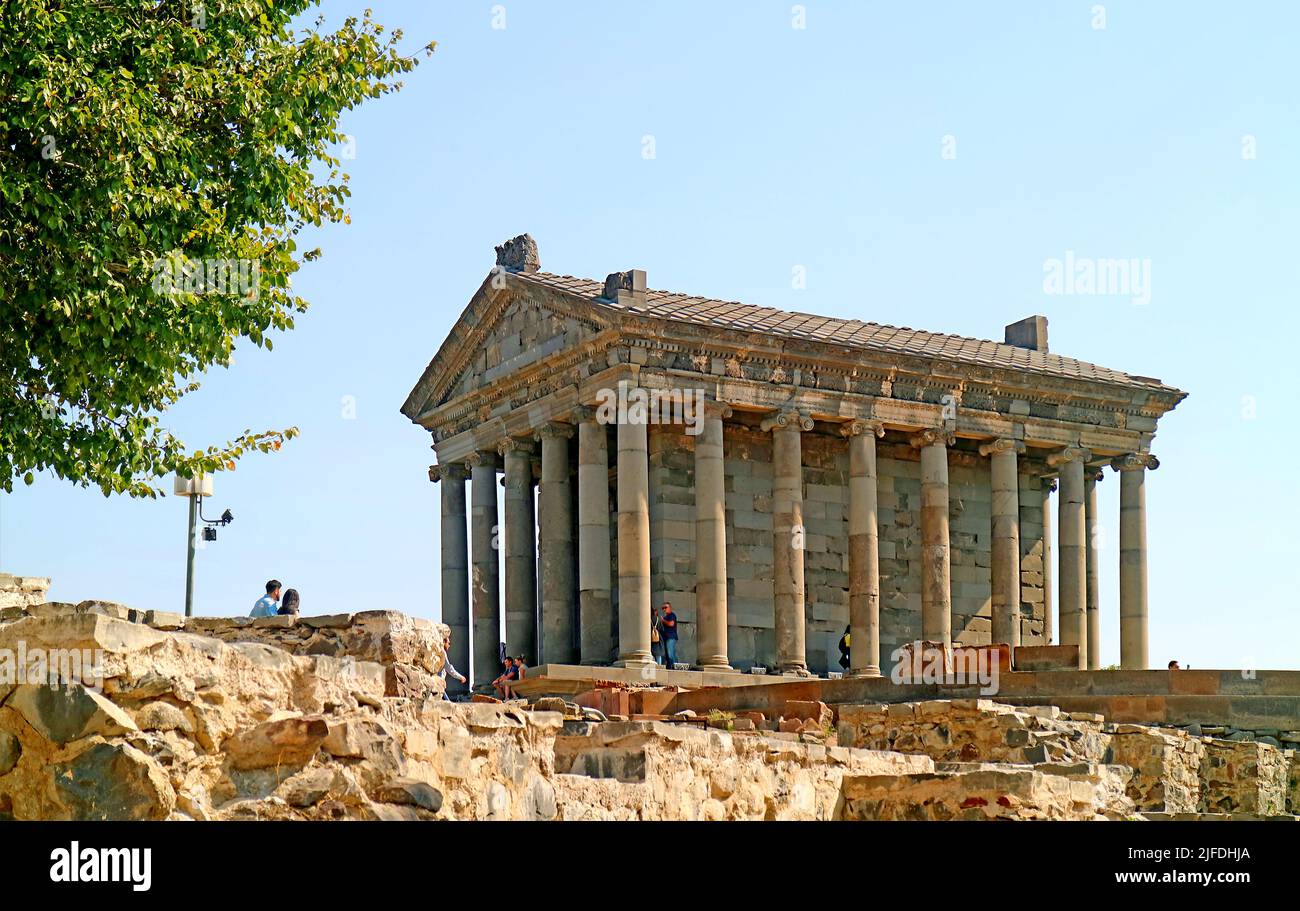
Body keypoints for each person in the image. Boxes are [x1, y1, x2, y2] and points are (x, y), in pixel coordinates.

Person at [439, 632, 467, 698]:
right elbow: (449, 668)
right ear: (443, 642)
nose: (449, 645)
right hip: (439, 684)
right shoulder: (443, 653)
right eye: (448, 643)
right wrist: (461, 677)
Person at [659, 602, 678, 667]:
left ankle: (674, 666)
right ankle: (672, 666)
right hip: (667, 637)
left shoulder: (672, 615)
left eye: (665, 607)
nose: (664, 609)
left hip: (671, 637)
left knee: (670, 654)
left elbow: (671, 624)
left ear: (670, 608)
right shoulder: (666, 617)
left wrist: (663, 621)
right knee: (669, 653)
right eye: (663, 608)